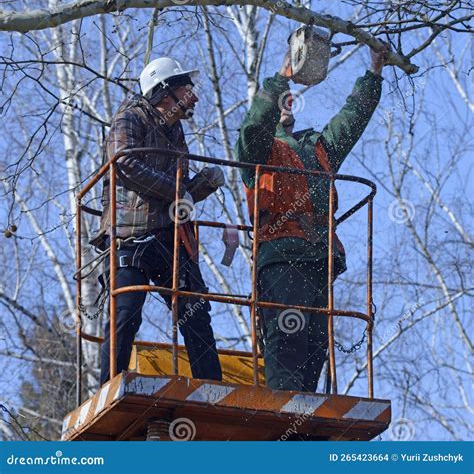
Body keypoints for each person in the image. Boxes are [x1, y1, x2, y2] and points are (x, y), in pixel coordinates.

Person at [235, 42, 389, 392]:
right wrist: (282, 78)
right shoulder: (258, 148)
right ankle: (286, 427)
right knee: (286, 343)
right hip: (281, 259)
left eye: (290, 98)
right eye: (282, 99)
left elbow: (352, 119)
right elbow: (255, 124)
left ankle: (302, 428)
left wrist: (374, 73)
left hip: (319, 259)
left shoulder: (316, 148)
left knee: (316, 348)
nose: (288, 102)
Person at [91, 57, 224, 386]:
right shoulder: (131, 117)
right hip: (129, 235)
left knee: (195, 311)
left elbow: (177, 194)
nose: (191, 96)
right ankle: (109, 387)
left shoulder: (174, 130)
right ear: (163, 92)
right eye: (184, 89)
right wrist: (180, 191)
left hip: (166, 236)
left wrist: (201, 185)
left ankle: (213, 388)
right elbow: (124, 164)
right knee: (126, 311)